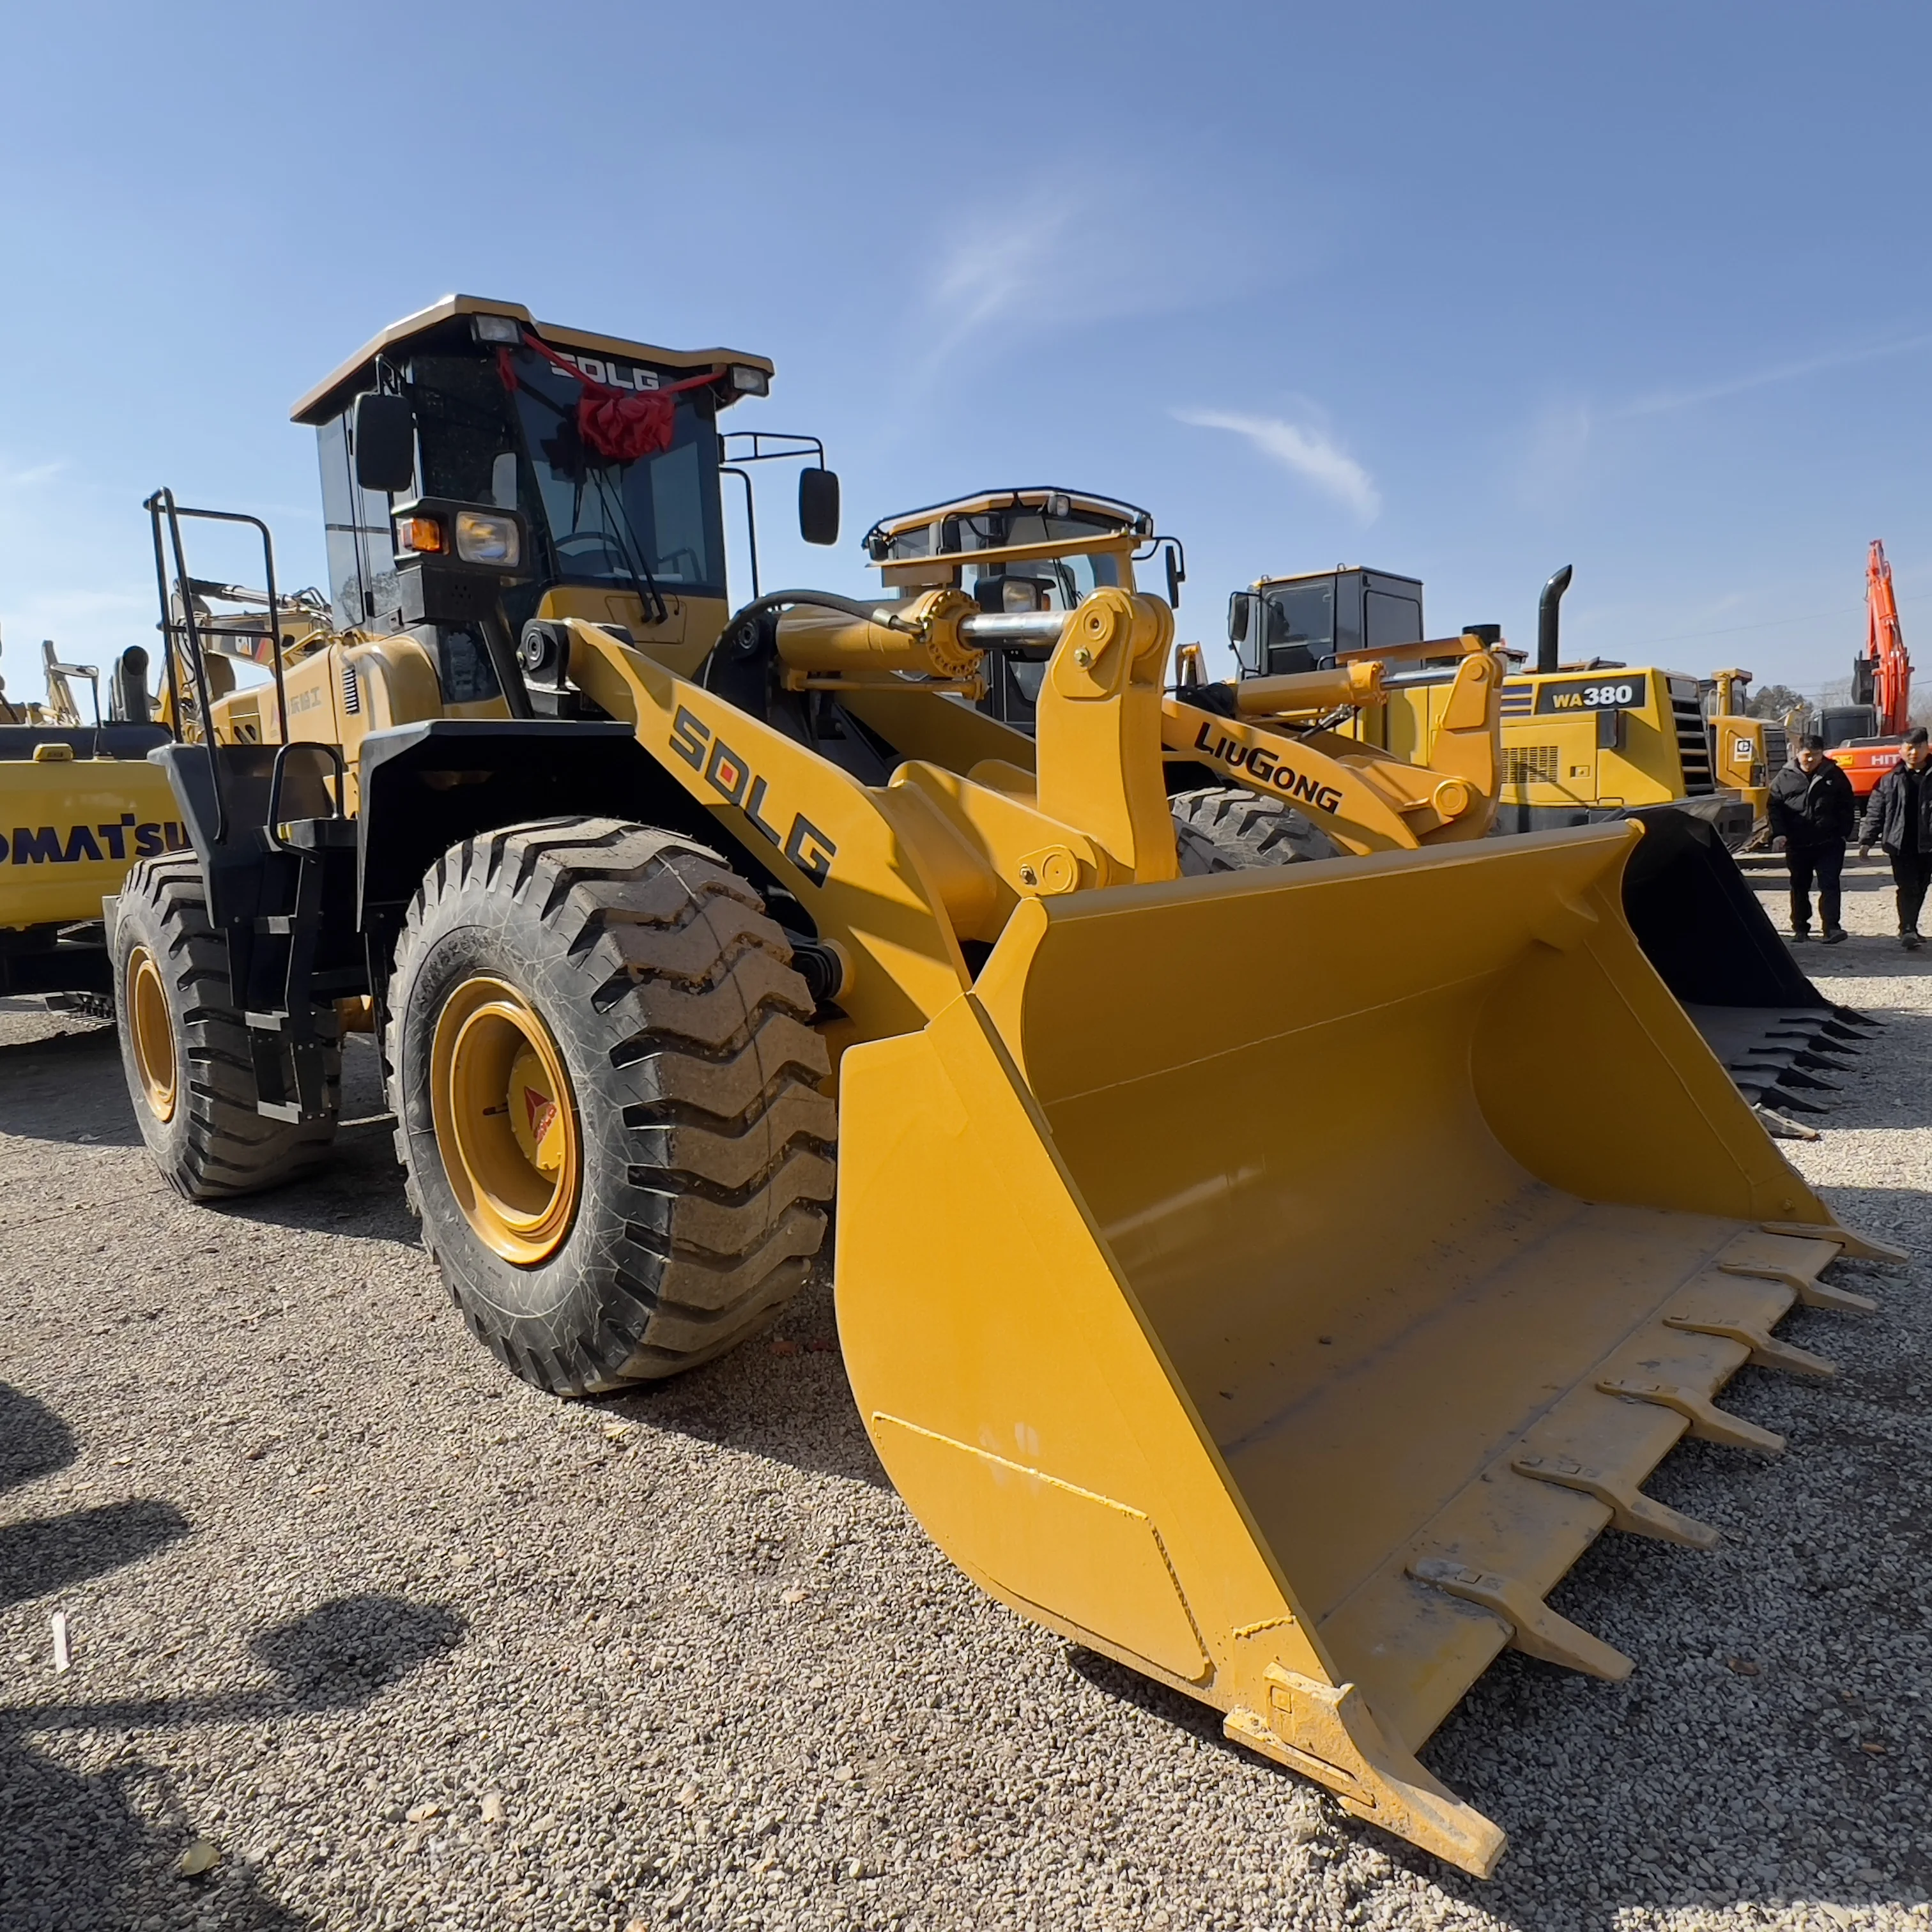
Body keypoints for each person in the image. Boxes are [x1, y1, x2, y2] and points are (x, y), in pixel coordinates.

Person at [1767, 733, 1857, 942]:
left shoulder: (1834, 775)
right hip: (1797, 843)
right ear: (1797, 753)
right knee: (1799, 886)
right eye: (1807, 755)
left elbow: (1847, 805)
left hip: (1829, 842)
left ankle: (1832, 928)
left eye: (1816, 755)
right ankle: (1801, 928)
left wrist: (1844, 833)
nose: (1810, 760)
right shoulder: (1784, 777)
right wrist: (1779, 834)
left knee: (1830, 884)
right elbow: (1774, 808)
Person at [1859, 725, 1932, 950]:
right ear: (1901, 749)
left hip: (1928, 843)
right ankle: (1907, 928)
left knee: (1921, 886)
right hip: (1900, 843)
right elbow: (1875, 811)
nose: (1913, 752)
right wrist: (1866, 840)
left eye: (1918, 747)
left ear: (1926, 747)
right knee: (1907, 886)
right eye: (1909, 747)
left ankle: (1911, 926)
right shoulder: (1889, 780)